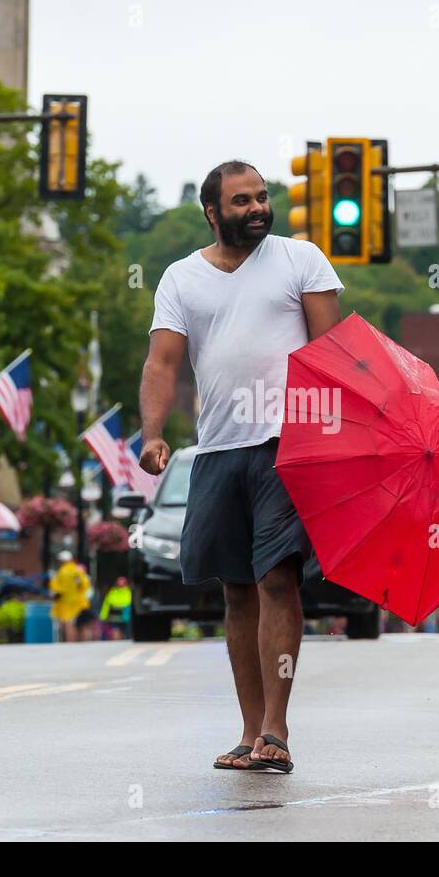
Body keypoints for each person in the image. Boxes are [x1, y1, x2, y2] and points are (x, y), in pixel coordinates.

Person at [139, 159, 342, 773]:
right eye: (242, 201)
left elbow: (334, 351)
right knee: (234, 590)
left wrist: (332, 435)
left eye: (262, 197)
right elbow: (162, 365)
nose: (257, 208)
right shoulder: (181, 279)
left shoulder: (301, 259)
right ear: (212, 211)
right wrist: (152, 435)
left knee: (277, 579)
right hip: (219, 447)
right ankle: (250, 731)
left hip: (287, 443)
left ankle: (276, 731)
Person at [50, 550, 91, 642]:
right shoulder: (78, 570)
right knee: (81, 625)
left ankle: (71, 644)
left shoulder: (61, 572)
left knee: (68, 623)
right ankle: (81, 643)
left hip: (66, 603)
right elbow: (85, 585)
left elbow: (57, 589)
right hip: (81, 602)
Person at [99, 575, 133, 640]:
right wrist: (103, 616)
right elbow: (106, 605)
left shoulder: (127, 592)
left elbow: (106, 605)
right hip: (119, 618)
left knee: (119, 633)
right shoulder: (113, 593)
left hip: (123, 618)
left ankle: (119, 642)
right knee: (117, 632)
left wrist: (103, 616)